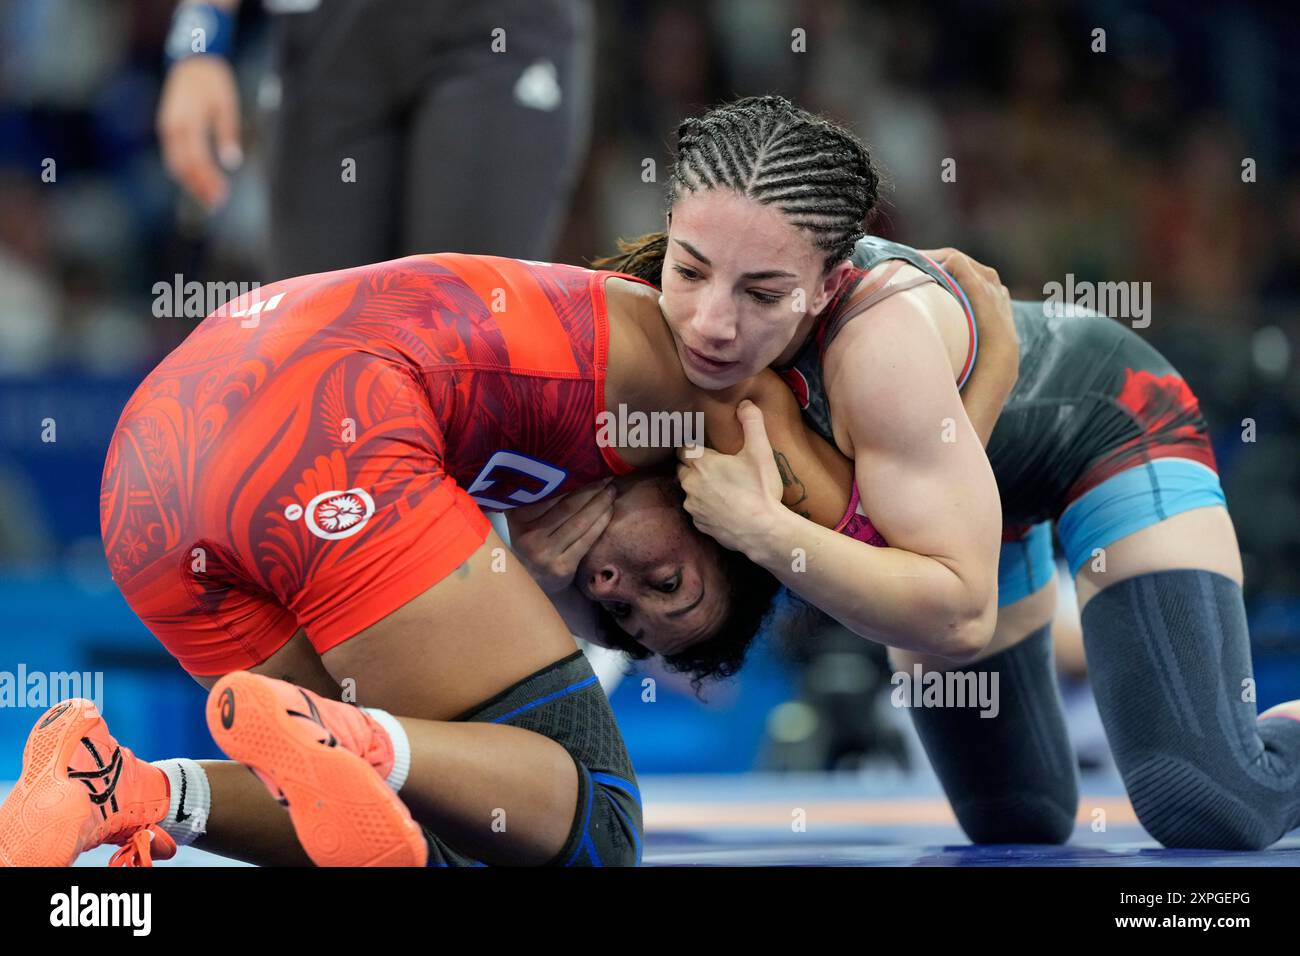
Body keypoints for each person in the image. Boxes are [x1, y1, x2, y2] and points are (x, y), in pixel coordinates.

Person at [0, 236, 1017, 867]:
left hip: (149, 474)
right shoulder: (720, 400)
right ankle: (344, 729)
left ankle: (119, 784)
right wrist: (986, 359)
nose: (612, 589)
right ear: (716, 502)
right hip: (319, 424)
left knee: (421, 821)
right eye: (667, 579)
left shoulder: (562, 453)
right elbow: (925, 565)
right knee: (600, 820)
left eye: (619, 613)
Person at [545, 94, 1300, 852]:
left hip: (1108, 421)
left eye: (763, 293)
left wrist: (765, 531)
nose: (711, 322)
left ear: (829, 281)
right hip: (951, 489)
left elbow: (959, 615)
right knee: (1017, 817)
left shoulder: (878, 344)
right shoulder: (632, 317)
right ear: (668, 233)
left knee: (1207, 800)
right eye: (691, 270)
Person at [156, 0, 593, 276]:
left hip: (494, 28)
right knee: (324, 355)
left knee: (462, 337)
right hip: (327, 39)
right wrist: (201, 35)